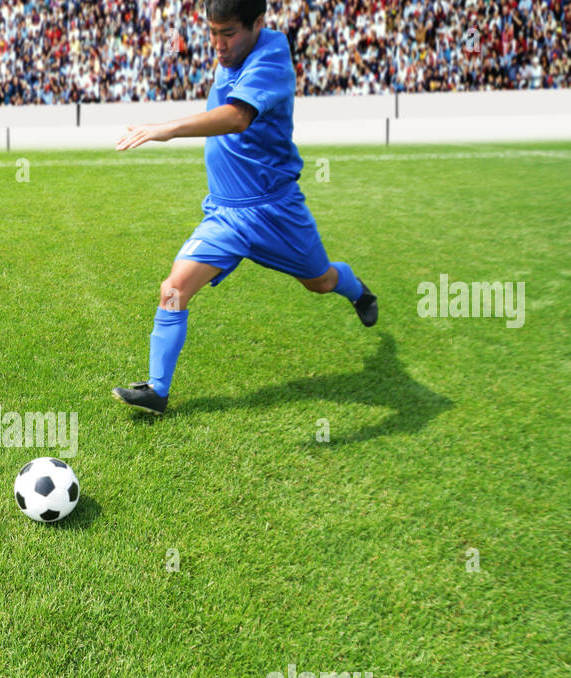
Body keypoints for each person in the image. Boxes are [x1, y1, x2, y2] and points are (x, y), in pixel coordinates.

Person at [111, 0, 377, 415]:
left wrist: (164, 130)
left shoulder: (271, 56)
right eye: (212, 32)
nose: (218, 44)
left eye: (228, 33)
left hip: (275, 212)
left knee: (320, 282)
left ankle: (358, 291)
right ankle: (157, 391)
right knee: (173, 291)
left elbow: (236, 118)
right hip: (224, 214)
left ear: (258, 23)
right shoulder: (232, 49)